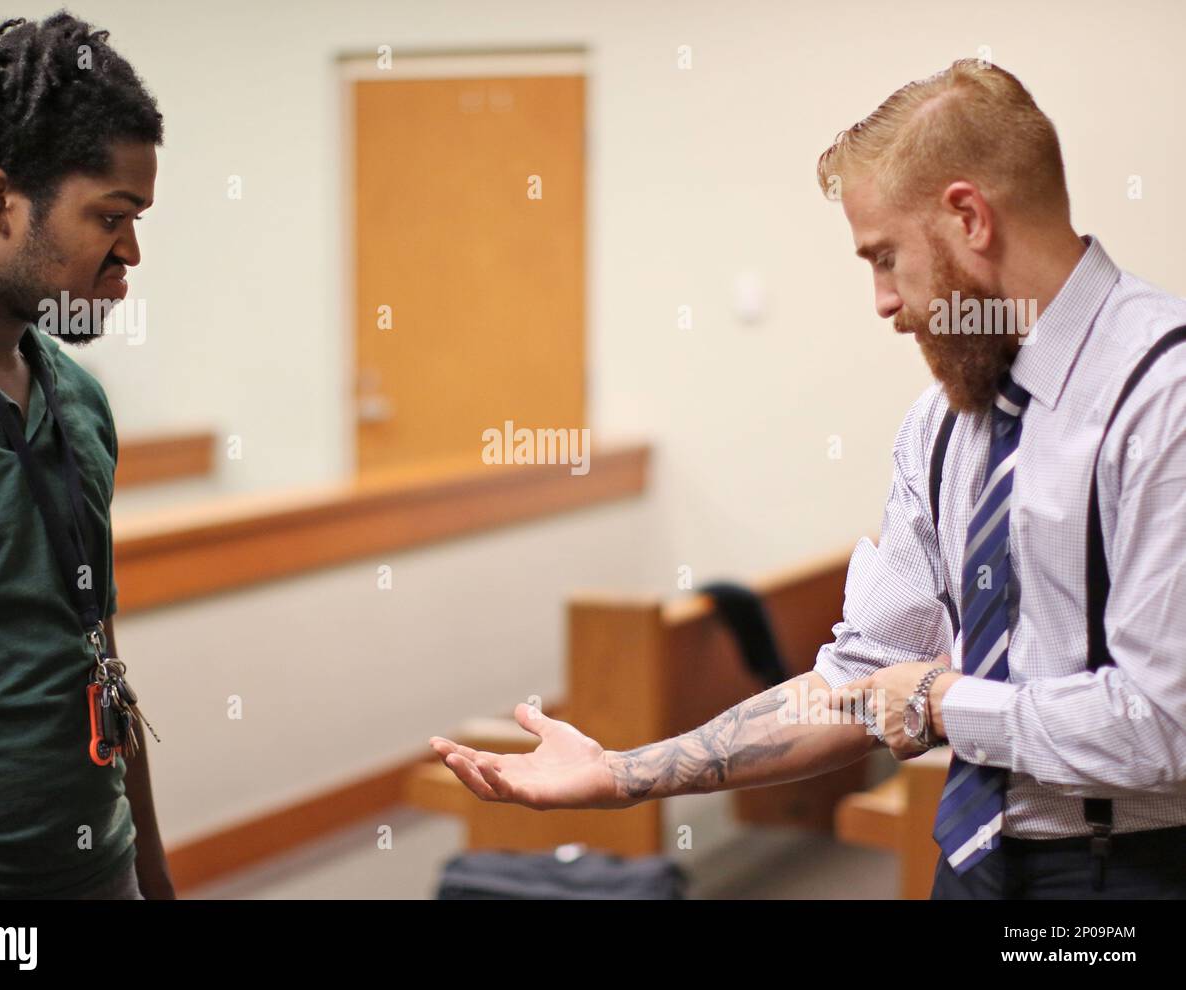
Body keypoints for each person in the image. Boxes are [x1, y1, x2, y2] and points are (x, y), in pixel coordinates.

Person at [430, 59, 1186, 899]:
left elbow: (1166, 724)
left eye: (886, 258)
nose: (882, 302)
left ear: (968, 216)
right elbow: (860, 681)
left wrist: (944, 705)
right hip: (974, 860)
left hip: (1131, 874)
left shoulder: (1163, 397)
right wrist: (620, 773)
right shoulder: (943, 425)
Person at [0, 12, 172, 898]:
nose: (131, 253)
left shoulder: (77, 396)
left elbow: (98, 647)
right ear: (2, 199)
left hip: (98, 867)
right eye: (111, 217)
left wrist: (152, 875)